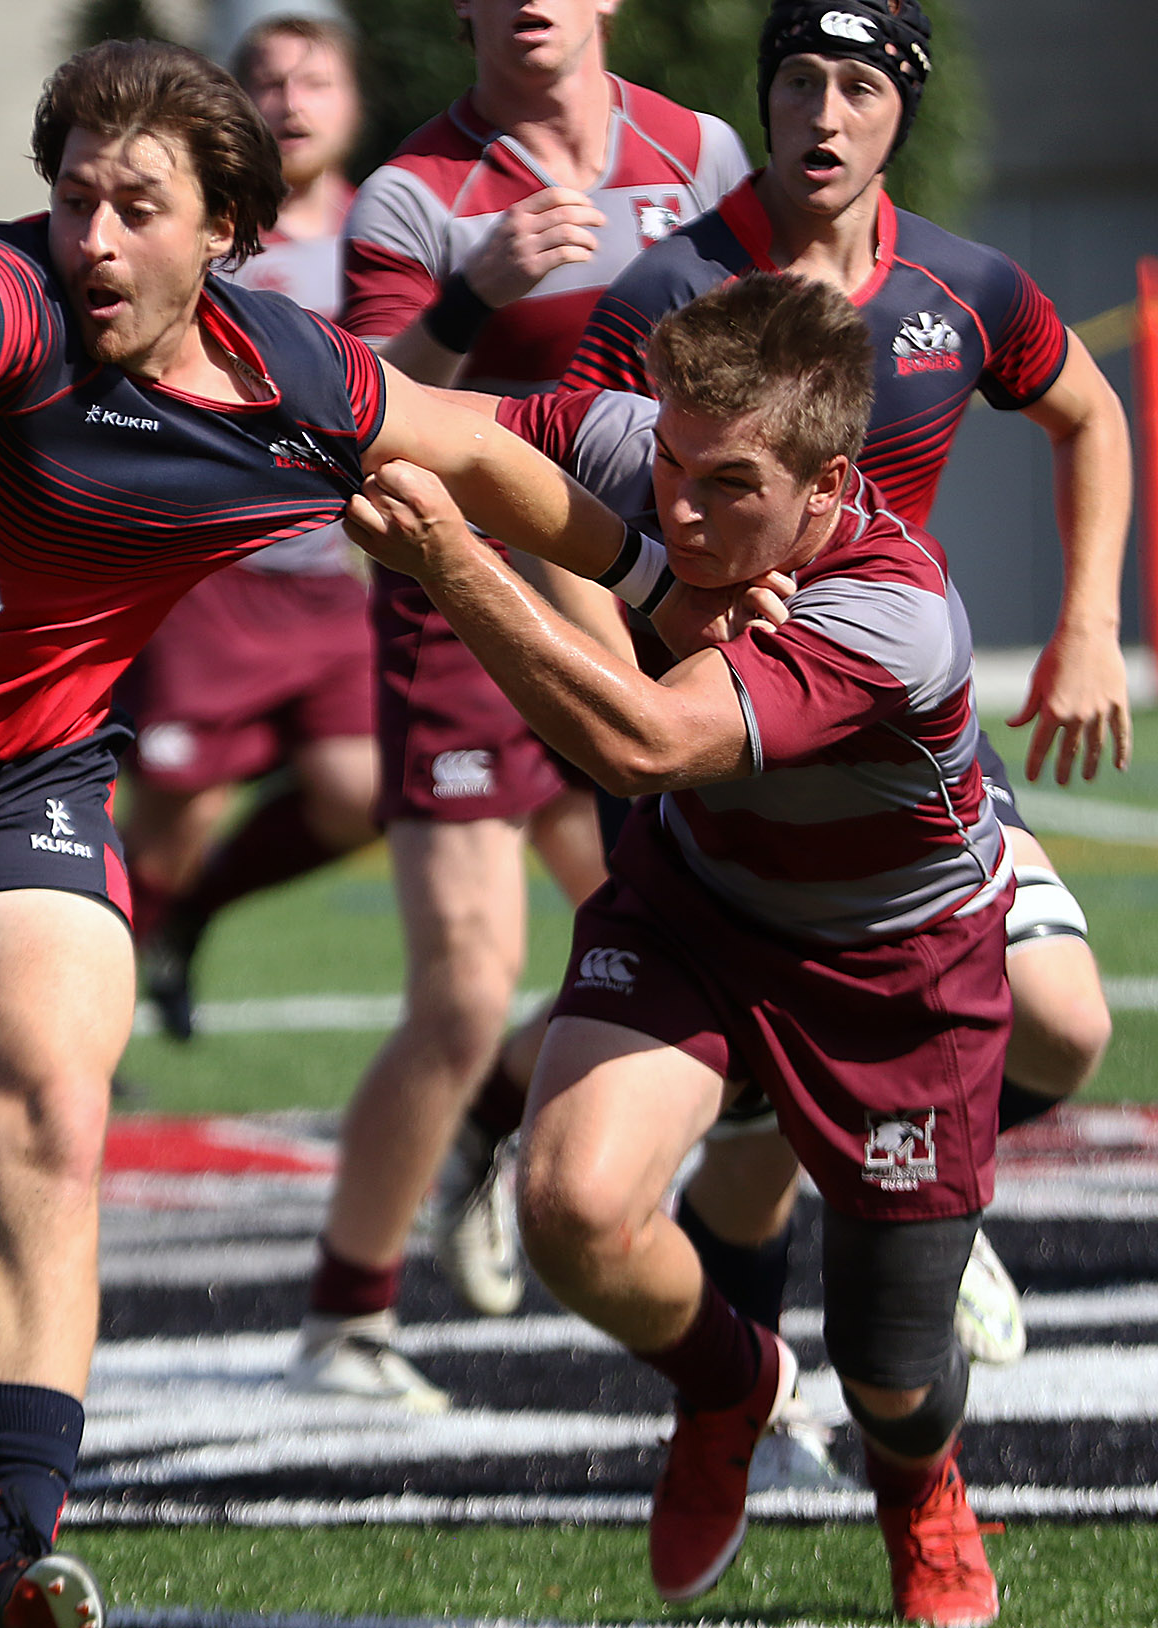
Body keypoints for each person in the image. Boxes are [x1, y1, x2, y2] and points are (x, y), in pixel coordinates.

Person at [0, 38, 767, 1628]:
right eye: (74, 195)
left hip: (12, 789)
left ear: (226, 225)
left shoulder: (295, 381)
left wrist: (662, 585)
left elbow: (493, 454)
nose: (92, 235)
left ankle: (13, 1552)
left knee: (45, 1121)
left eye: (136, 207)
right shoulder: (4, 295)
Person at [440, 0, 1132, 1388]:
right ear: (765, 101)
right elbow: (557, 484)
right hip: (699, 723)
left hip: (879, 709)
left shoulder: (966, 288)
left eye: (860, 86)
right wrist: (627, 632)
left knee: (1068, 1023)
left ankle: (920, 1184)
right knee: (693, 1046)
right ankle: (717, 1361)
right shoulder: (670, 289)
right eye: (800, 81)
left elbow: (1089, 413)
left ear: (901, 111)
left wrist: (1090, 621)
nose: (825, 113)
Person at [349, 272, 1006, 1627]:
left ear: (828, 486)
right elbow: (449, 428)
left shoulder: (890, 610)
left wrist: (455, 562)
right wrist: (236, 363)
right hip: (697, 913)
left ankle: (919, 1488)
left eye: (729, 486)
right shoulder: (662, 446)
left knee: (892, 1365)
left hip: (894, 974)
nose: (683, 505)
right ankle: (731, 1386)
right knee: (571, 1210)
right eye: (667, 464)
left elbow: (638, 742)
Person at [288, 0, 750, 1410]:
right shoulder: (419, 192)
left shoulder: (704, 152)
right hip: (469, 598)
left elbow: (762, 369)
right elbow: (354, 411)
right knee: (462, 993)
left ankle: (511, 1127)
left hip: (653, 584)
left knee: (733, 935)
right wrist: (472, 295)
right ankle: (345, 1320)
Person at [118, 13, 376, 1041]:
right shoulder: (203, 233)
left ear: (352, 99)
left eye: (313, 80)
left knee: (361, 791)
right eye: (265, 81)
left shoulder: (390, 232)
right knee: (167, 828)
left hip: (327, 585)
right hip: (209, 587)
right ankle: (85, 1029)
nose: (290, 101)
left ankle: (192, 916)